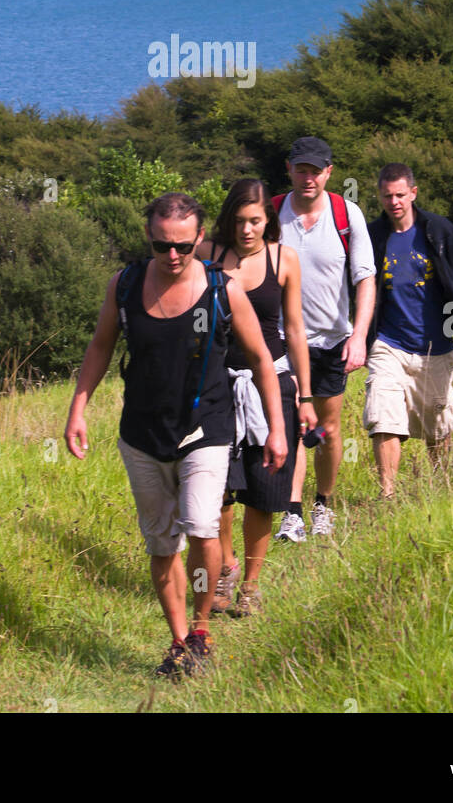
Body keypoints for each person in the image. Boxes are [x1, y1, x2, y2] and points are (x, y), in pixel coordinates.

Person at [64, 191, 287, 679]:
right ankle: (179, 640)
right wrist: (77, 409)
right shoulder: (123, 287)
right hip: (142, 434)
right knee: (162, 544)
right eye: (162, 244)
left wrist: (276, 428)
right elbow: (101, 346)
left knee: (202, 525)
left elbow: (261, 360)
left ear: (200, 240)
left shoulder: (221, 291)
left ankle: (202, 631)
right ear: (149, 237)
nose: (172, 255)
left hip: (206, 428)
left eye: (183, 246)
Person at [196, 179, 313, 617]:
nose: (247, 230)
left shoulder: (285, 259)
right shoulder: (208, 254)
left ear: (269, 221)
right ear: (229, 219)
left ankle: (251, 583)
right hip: (217, 384)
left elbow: (296, 329)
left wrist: (305, 394)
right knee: (220, 488)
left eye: (256, 222)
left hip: (272, 384)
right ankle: (224, 569)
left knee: (264, 491)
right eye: (240, 221)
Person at [364, 163, 453, 497]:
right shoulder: (372, 236)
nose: (394, 202)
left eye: (400, 195)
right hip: (387, 344)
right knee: (383, 416)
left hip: (436, 345)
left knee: (438, 425)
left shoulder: (438, 230)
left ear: (413, 193)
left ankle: (441, 488)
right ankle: (387, 495)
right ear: (380, 195)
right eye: (387, 195)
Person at [272, 137, 377, 542]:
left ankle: (324, 506)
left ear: (329, 172)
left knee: (329, 429)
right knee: (296, 423)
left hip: (334, 340)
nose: (308, 177)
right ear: (289, 169)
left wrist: (359, 335)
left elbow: (364, 277)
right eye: (301, 169)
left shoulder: (346, 215)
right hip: (283, 340)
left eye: (316, 170)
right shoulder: (272, 213)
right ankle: (291, 513)